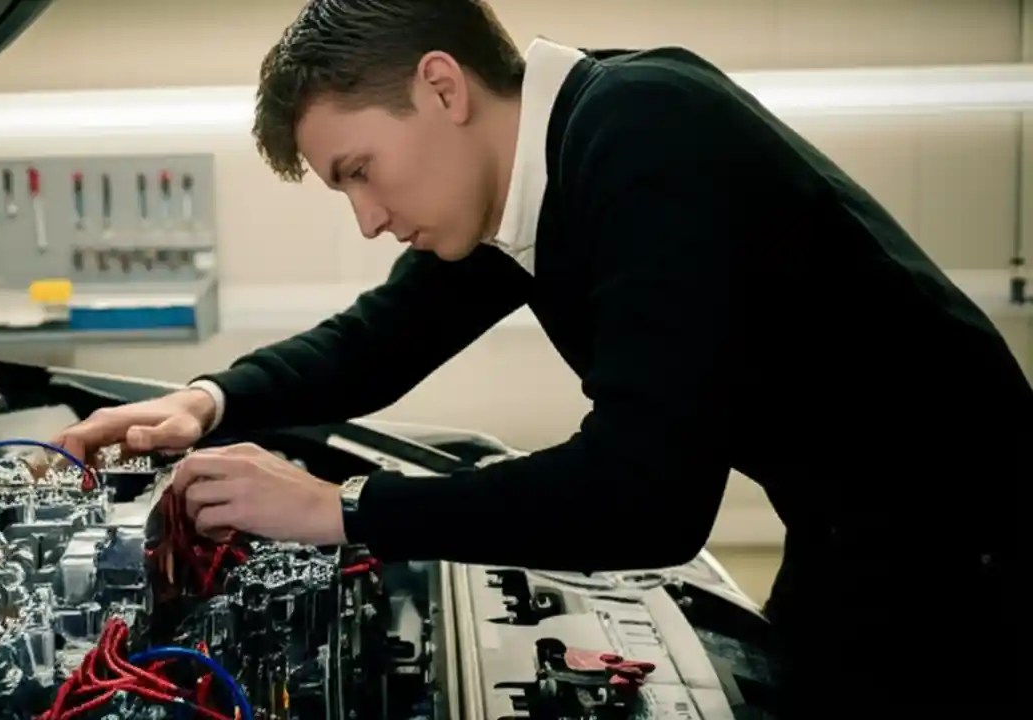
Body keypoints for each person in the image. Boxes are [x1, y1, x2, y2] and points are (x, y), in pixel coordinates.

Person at [56, 0, 1027, 711]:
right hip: (852, 537)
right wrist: (206, 402)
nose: (365, 219)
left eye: (359, 171)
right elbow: (378, 341)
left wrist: (342, 511)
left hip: (966, 563)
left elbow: (644, 497)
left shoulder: (644, 135)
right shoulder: (555, 161)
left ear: (441, 88)